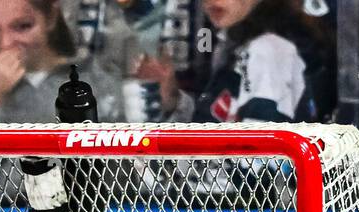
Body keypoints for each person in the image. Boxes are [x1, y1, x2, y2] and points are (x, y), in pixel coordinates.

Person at [134, 0, 334, 123]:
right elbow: (212, 123)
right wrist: (173, 98)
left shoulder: (268, 50)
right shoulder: (232, 43)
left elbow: (260, 161)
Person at [0, 0, 122, 124]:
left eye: (22, 26)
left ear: (51, 18)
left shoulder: (92, 82)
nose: (5, 44)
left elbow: (121, 174)